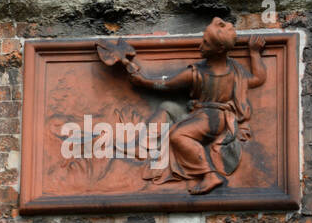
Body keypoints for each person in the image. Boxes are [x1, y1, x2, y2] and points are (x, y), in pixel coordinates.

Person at [113, 19, 267, 195]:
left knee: (178, 135)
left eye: (206, 43)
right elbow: (258, 78)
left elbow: (166, 84)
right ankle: (142, 145)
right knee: (167, 107)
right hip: (200, 113)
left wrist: (143, 81)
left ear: (219, 49)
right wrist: (255, 53)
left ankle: (209, 174)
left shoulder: (203, 73)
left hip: (214, 119)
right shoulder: (231, 69)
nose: (200, 46)